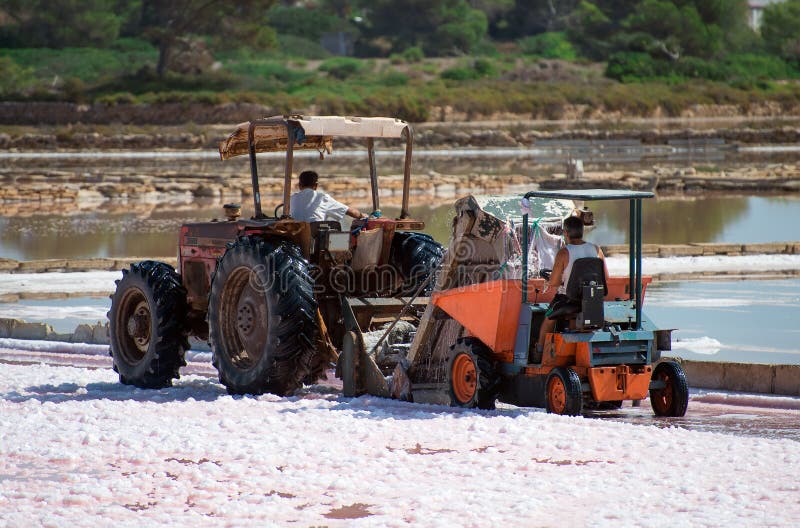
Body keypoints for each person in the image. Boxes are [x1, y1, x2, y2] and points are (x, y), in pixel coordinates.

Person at [535, 215, 609, 358]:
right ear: (582, 231)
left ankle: (539, 351)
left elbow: (554, 283)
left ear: (566, 233)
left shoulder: (564, 252)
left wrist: (551, 279)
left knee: (549, 318)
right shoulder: (596, 249)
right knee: (574, 315)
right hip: (592, 298)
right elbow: (605, 277)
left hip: (568, 299)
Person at [289, 170, 363, 222]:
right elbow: (352, 213)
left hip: (296, 238)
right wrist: (362, 216)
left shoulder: (292, 199)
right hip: (317, 238)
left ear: (299, 185)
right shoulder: (322, 198)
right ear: (316, 185)